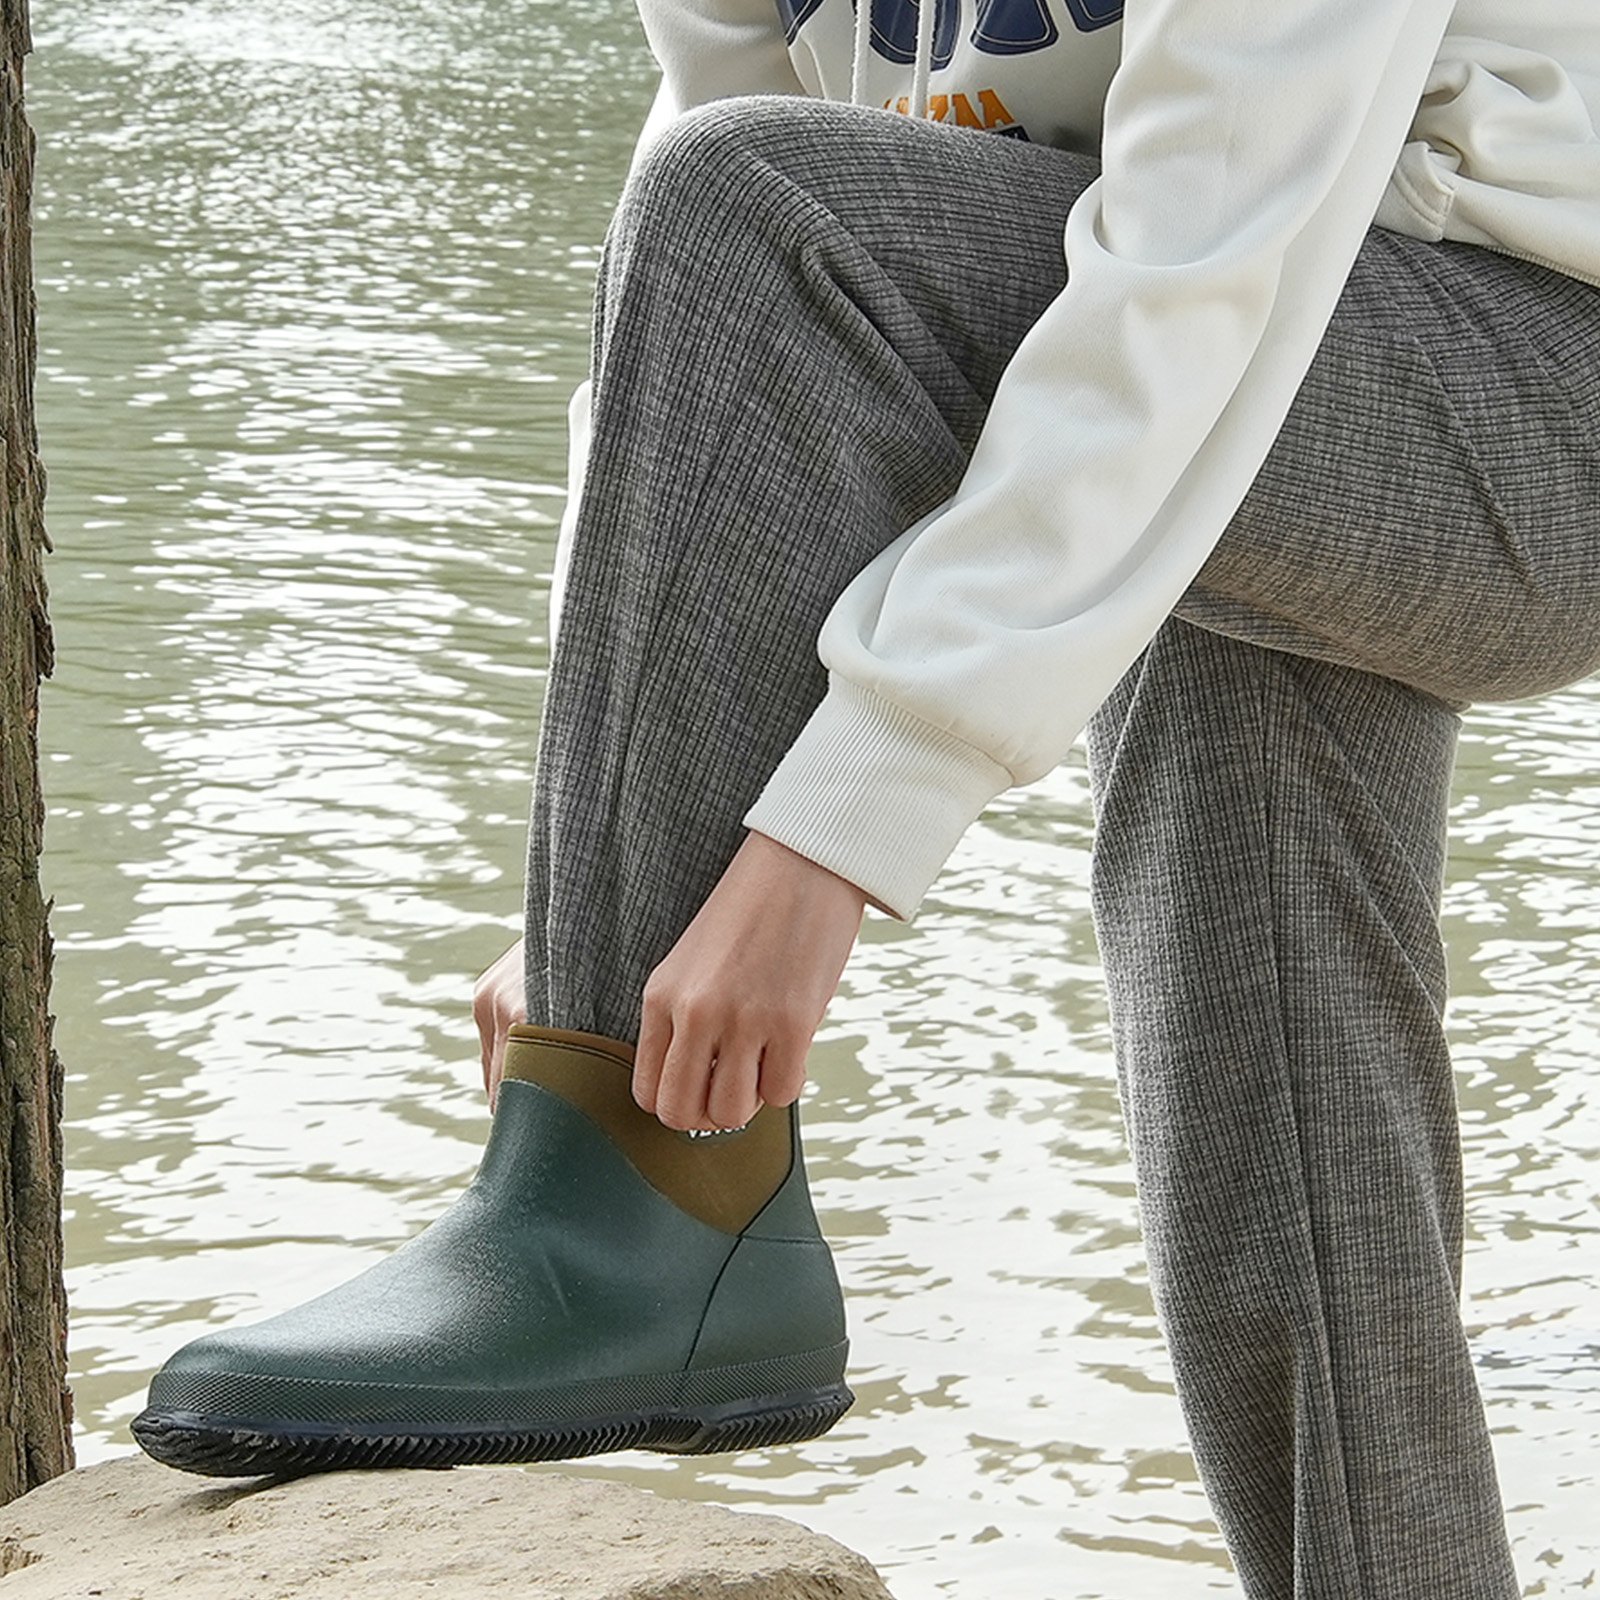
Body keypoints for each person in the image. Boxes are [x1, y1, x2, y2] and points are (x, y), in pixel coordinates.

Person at [132, 1, 1600, 1594]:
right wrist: (603, 873)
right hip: (1195, 358)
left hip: (1509, 365)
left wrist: (835, 833)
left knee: (770, 207)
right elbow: (689, 363)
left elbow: (1197, 249)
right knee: (1284, 1131)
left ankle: (645, 1220)